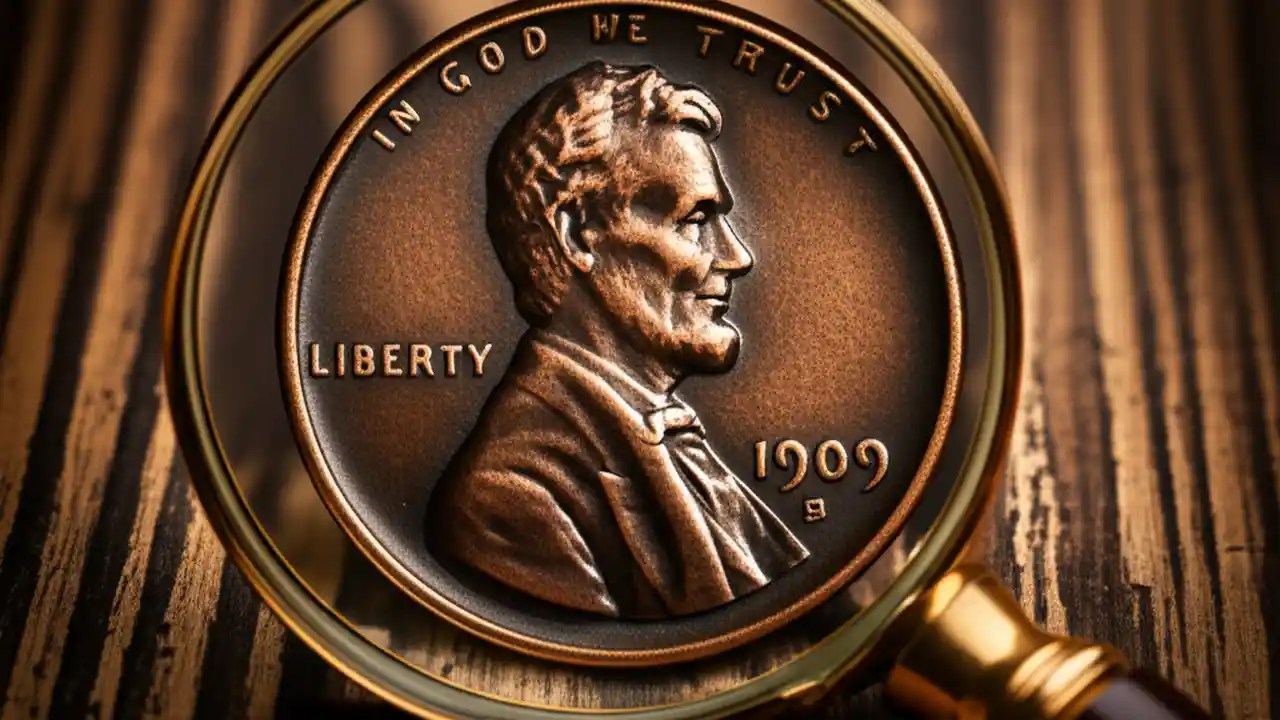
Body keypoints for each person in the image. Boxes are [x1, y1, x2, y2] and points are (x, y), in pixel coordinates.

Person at [425, 62, 808, 619]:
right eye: (695, 220)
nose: (737, 257)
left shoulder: (669, 443)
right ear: (576, 232)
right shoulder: (510, 496)